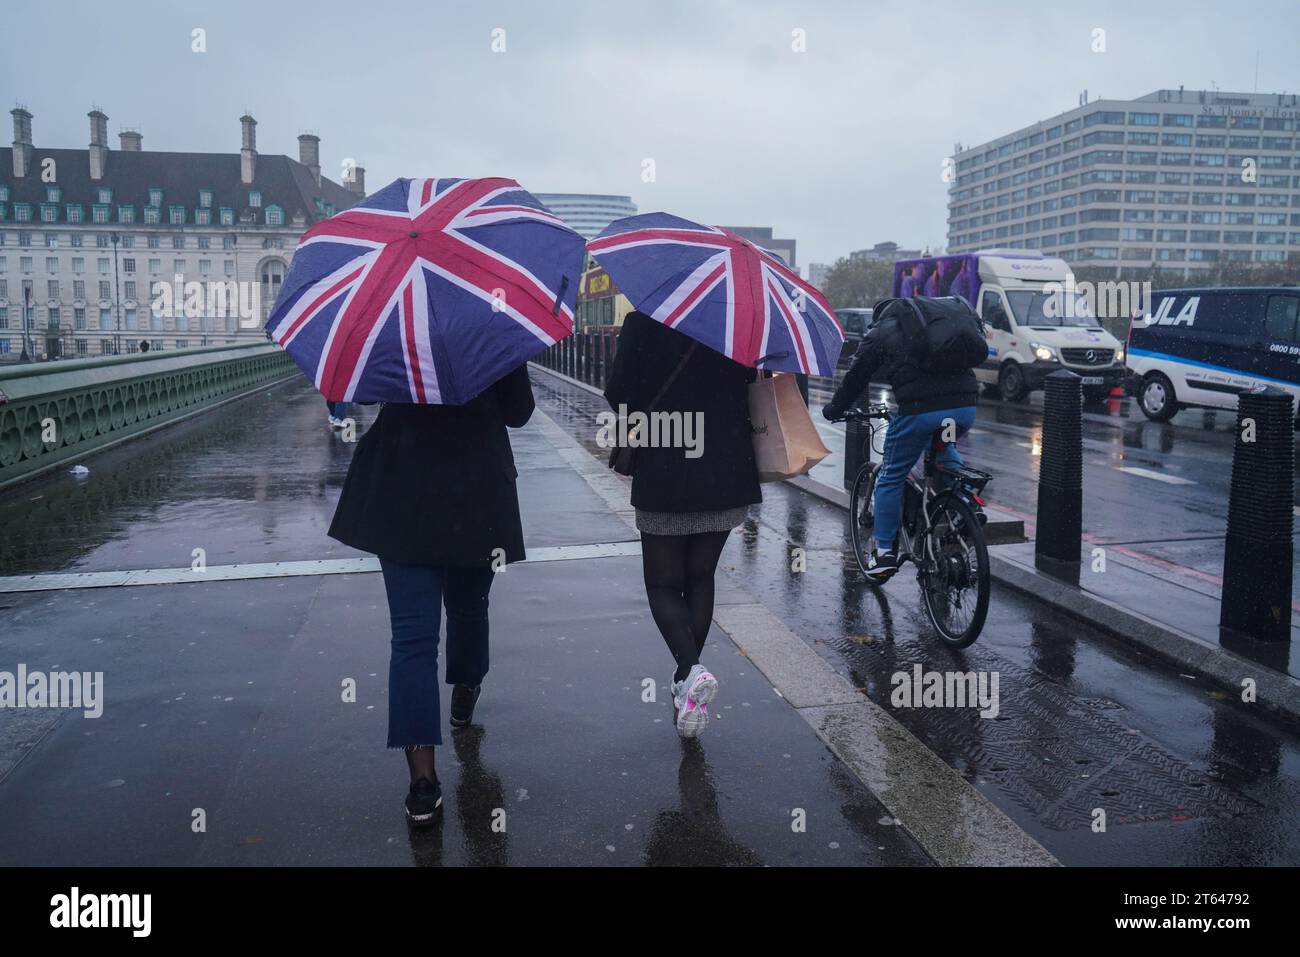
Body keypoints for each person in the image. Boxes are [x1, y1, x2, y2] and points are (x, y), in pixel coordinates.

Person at [327, 364, 535, 826]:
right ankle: (466, 687)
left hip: (402, 487)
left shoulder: (393, 313)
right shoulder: (489, 319)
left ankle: (423, 784)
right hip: (477, 491)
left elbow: (361, 394)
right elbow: (519, 412)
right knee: (468, 607)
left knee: (412, 640)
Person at [604, 311, 760, 738]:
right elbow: (751, 386)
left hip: (665, 464)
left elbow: (618, 394)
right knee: (701, 577)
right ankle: (688, 686)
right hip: (726, 468)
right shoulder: (733, 323)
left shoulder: (642, 324)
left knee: (662, 583)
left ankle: (690, 671)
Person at [822, 300, 979, 582]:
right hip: (963, 409)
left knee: (891, 476)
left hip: (920, 412)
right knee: (944, 448)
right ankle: (966, 500)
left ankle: (884, 553)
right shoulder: (939, 326)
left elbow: (857, 376)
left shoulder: (883, 331)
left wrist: (834, 409)